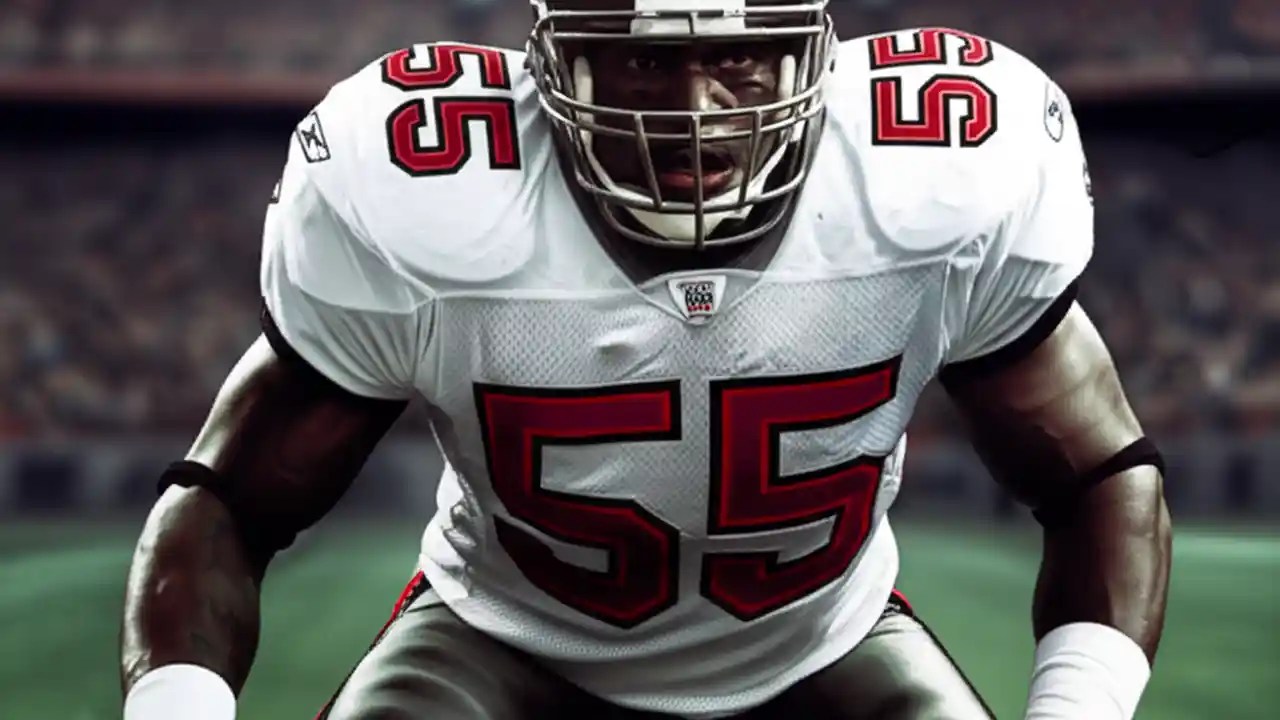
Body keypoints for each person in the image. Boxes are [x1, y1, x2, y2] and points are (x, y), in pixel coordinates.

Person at [120, 1, 1172, 718]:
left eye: (738, 56)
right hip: (500, 637)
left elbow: (1095, 477)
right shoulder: (422, 190)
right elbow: (227, 501)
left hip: (820, 642)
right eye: (643, 60)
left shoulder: (936, 182)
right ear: (551, 60)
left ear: (812, 49)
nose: (697, 107)